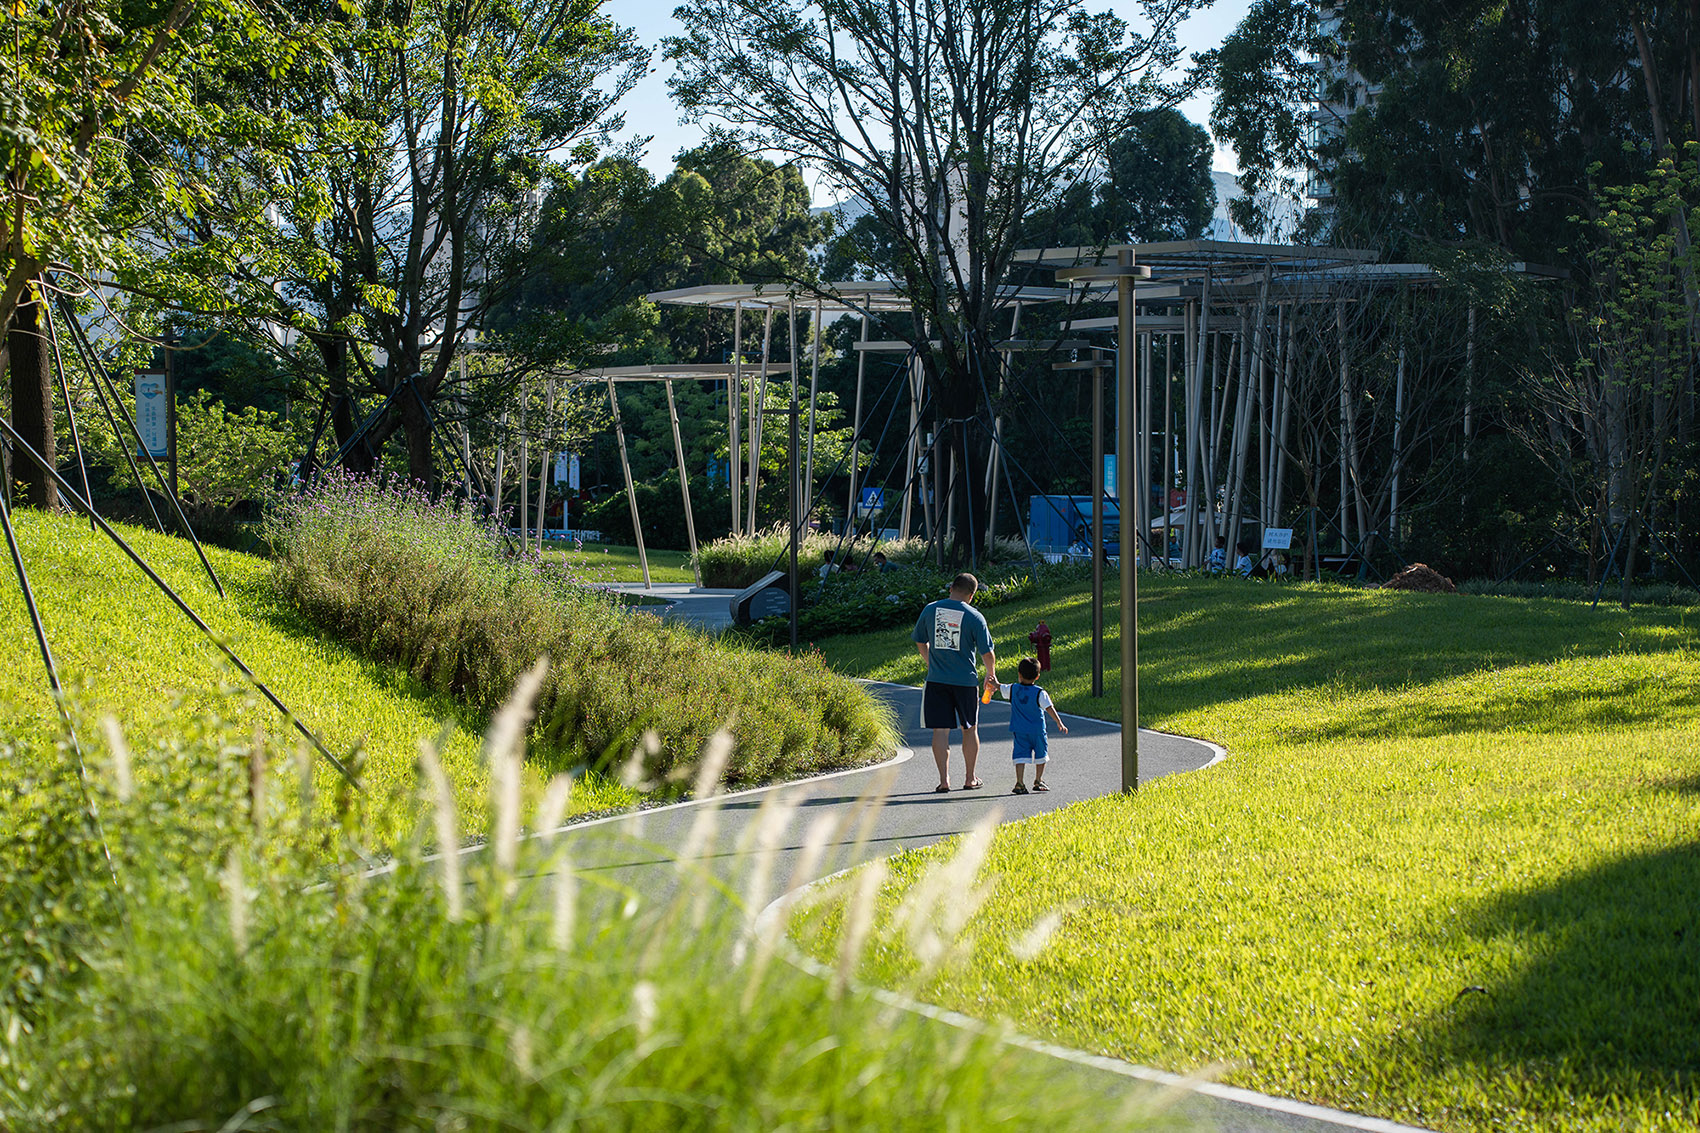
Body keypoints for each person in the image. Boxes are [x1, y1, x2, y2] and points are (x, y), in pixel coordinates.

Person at [912, 572, 997, 792]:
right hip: (965, 682)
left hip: (936, 681)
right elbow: (987, 653)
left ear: (951, 588)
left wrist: (931, 661)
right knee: (969, 729)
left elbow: (920, 640)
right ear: (971, 595)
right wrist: (990, 674)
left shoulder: (930, 609)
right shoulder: (975, 616)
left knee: (940, 731)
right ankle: (970, 778)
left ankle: (944, 780)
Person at [993, 656, 1067, 794]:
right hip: (1037, 730)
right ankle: (1038, 780)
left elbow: (1000, 687)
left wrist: (994, 683)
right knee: (1041, 754)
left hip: (1019, 730)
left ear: (1019, 674)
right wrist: (1059, 721)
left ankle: (1020, 782)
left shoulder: (1013, 689)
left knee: (1019, 756)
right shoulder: (1040, 692)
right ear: (1037, 676)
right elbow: (1049, 708)